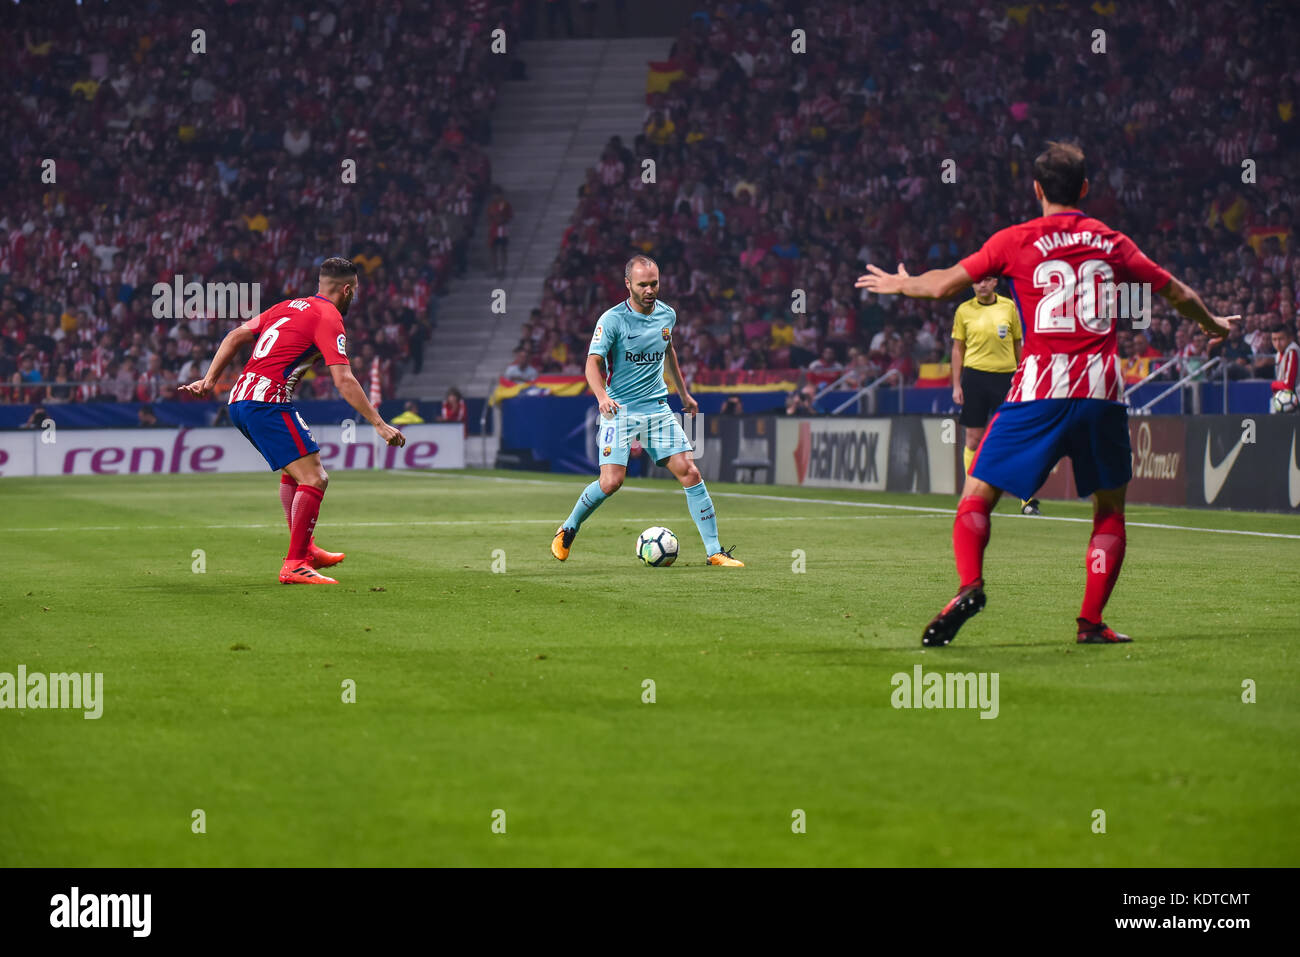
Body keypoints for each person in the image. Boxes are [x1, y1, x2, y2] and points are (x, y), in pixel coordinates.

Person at [857, 142, 1236, 646]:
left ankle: (970, 585)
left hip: (1038, 389)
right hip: (1102, 392)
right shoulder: (1112, 242)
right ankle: (1090, 622)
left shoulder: (1015, 240)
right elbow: (1179, 295)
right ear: (1084, 189)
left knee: (977, 496)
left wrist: (900, 284)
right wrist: (1214, 325)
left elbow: (943, 286)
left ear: (1036, 189)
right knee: (1109, 510)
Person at [179, 257, 406, 585]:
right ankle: (295, 562)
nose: (354, 296)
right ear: (346, 289)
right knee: (315, 478)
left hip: (242, 399)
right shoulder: (329, 316)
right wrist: (379, 424)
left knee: (299, 468)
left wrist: (210, 380)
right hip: (266, 401)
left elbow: (235, 334)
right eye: (354, 290)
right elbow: (343, 379)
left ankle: (307, 550)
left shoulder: (288, 306)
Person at [551, 255, 743, 566]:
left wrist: (685, 394)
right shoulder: (612, 320)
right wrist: (601, 396)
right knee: (611, 482)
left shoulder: (668, 315)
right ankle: (568, 528)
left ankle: (714, 551)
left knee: (690, 473)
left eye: (654, 283)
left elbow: (669, 352)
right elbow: (592, 363)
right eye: (643, 284)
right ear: (628, 284)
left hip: (657, 407)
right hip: (619, 410)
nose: (650, 289)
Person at [949, 276, 1042, 515]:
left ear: (994, 283)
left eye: (986, 280)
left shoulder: (1009, 307)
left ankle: (1026, 498)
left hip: (1006, 378)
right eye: (977, 281)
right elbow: (958, 349)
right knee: (972, 439)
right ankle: (971, 496)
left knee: (1017, 438)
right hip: (974, 378)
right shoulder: (964, 311)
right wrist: (956, 385)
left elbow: (1018, 344)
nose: (981, 285)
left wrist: (1025, 377)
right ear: (971, 285)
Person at [1269, 323, 1299, 405]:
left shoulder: (1292, 351)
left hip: (1295, 401)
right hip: (1284, 398)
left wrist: (1273, 385)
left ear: (1290, 338)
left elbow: (1288, 385)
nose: (1277, 343)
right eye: (1274, 340)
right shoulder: (1279, 354)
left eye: (1281, 339)